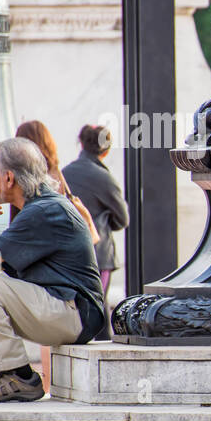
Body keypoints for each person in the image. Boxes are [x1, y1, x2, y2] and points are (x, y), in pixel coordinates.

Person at [0, 138, 106, 403]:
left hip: (75, 314)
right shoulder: (38, 208)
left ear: (8, 178)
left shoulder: (46, 210)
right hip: (62, 310)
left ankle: (15, 375)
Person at [62, 124, 129, 316]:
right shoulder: (105, 178)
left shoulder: (65, 174)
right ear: (106, 151)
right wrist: (105, 220)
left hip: (69, 255)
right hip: (98, 256)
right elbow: (122, 219)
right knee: (98, 312)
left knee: (75, 312)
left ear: (81, 144)